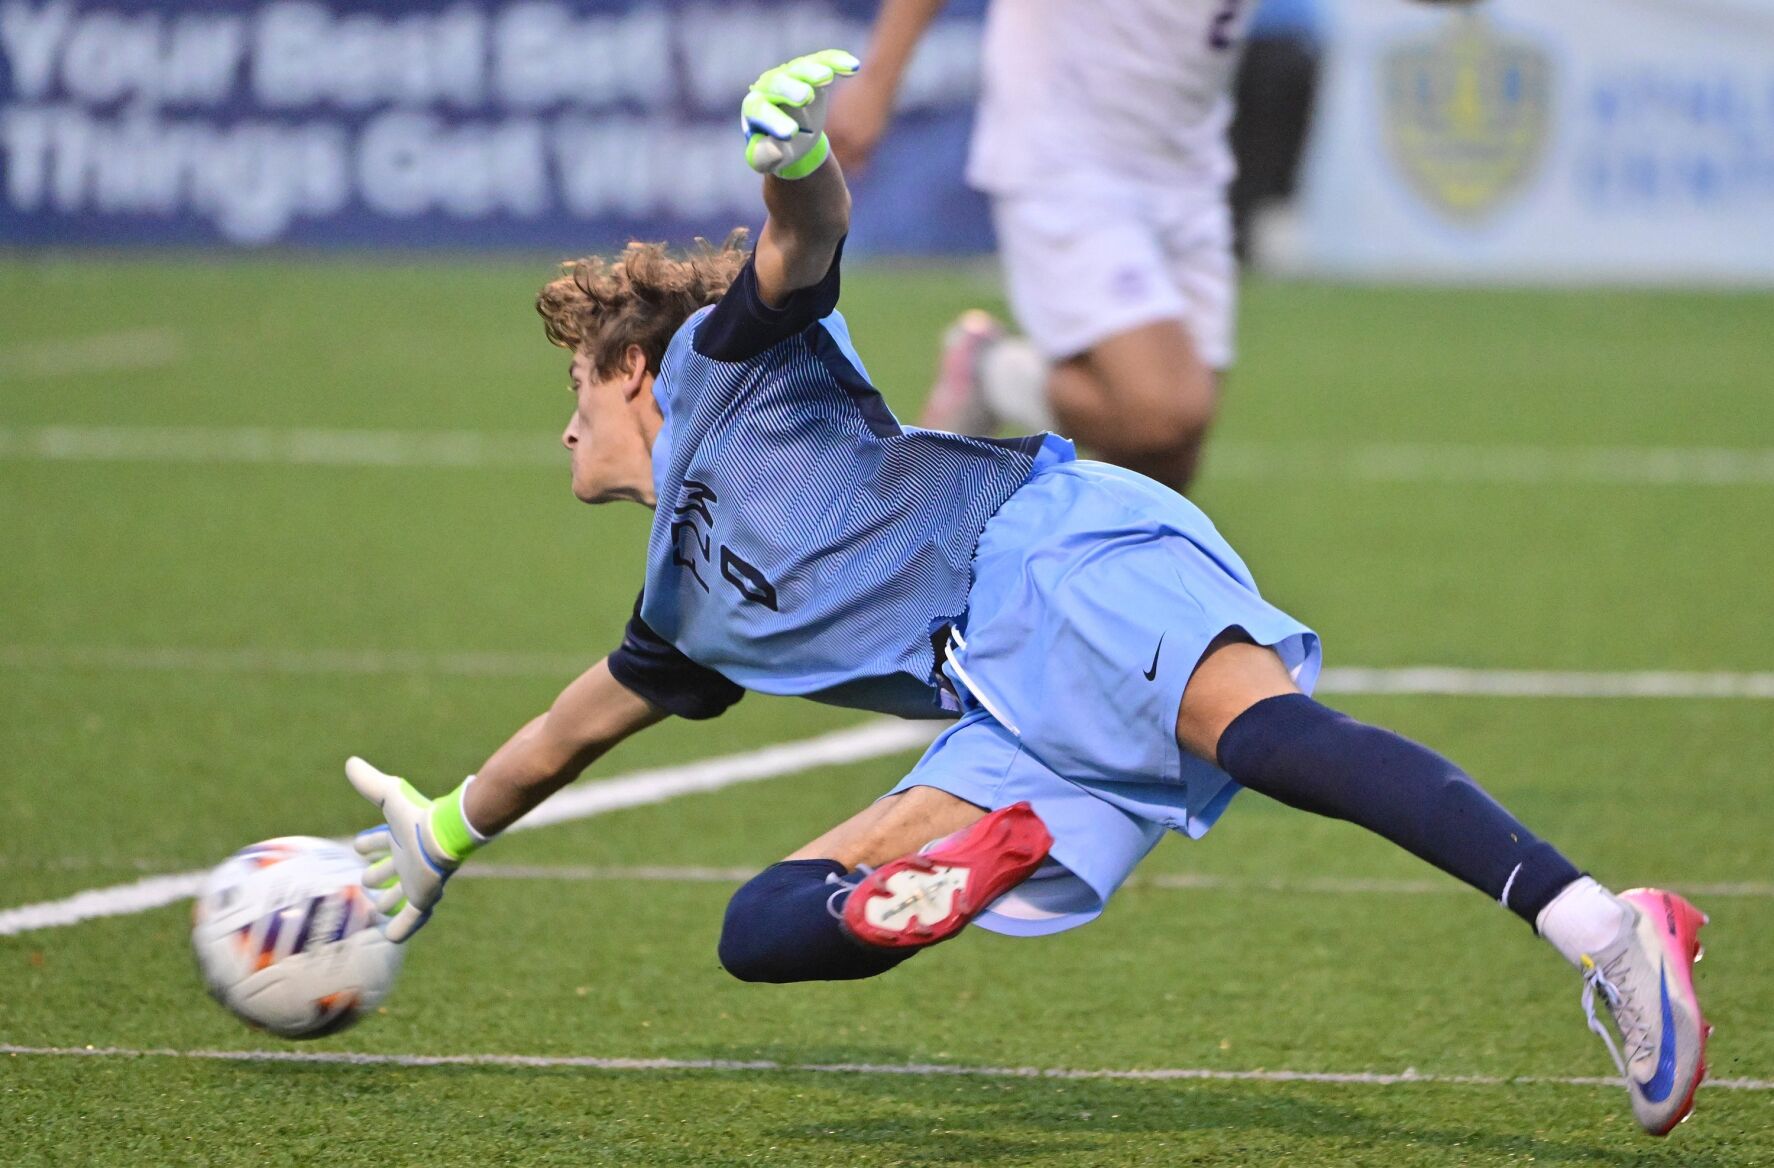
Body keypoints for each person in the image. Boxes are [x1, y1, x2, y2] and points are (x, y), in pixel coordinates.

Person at [347, 52, 1709, 1137]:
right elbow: (564, 737)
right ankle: (924, 887)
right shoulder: (677, 616)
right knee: (759, 926)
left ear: (628, 372)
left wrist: (796, 159)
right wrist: (439, 840)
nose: (563, 426)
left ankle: (1602, 932)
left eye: (571, 387)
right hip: (1003, 708)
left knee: (1266, 734)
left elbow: (803, 239)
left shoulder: (719, 365)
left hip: (1047, 550)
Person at [826, 0, 1252, 490]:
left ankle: (1064, 560)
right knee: (1159, 412)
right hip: (1071, 153)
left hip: (1188, 163)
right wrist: (878, 81)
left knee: (1168, 459)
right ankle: (995, 373)